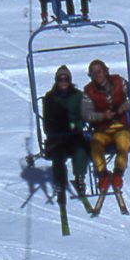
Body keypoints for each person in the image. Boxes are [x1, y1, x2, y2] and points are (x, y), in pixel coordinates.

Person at [83, 58, 130, 194]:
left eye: (100, 71)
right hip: (101, 129)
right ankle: (102, 175)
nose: (97, 75)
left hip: (121, 127)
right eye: (94, 73)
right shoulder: (88, 91)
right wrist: (101, 116)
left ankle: (118, 174)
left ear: (105, 71)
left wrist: (126, 105)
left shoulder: (119, 82)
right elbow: (85, 114)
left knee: (123, 143)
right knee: (96, 146)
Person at [40, 65, 89, 201]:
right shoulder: (50, 98)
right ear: (56, 81)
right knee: (58, 154)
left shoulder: (78, 95)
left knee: (81, 150)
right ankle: (59, 182)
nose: (63, 82)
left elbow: (84, 116)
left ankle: (80, 177)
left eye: (66, 79)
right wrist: (54, 131)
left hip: (74, 134)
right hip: (58, 135)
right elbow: (47, 120)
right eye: (60, 79)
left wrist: (77, 125)